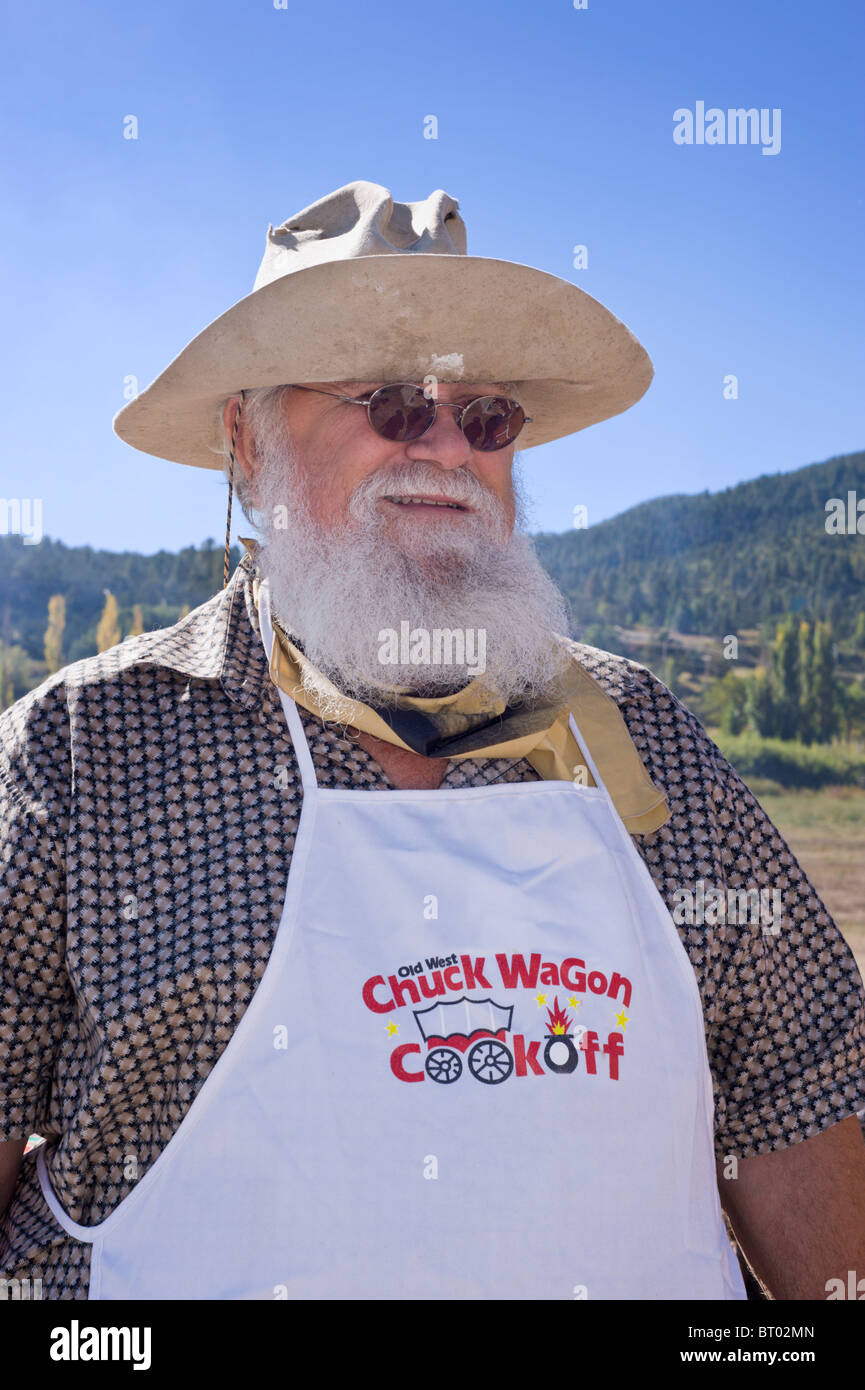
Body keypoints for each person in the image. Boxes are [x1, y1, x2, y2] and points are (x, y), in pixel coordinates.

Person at [1, 180, 864, 1301]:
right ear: (245, 443)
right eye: (396, 402)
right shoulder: (83, 750)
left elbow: (806, 1100)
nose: (449, 449)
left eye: (488, 417)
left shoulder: (642, 734)